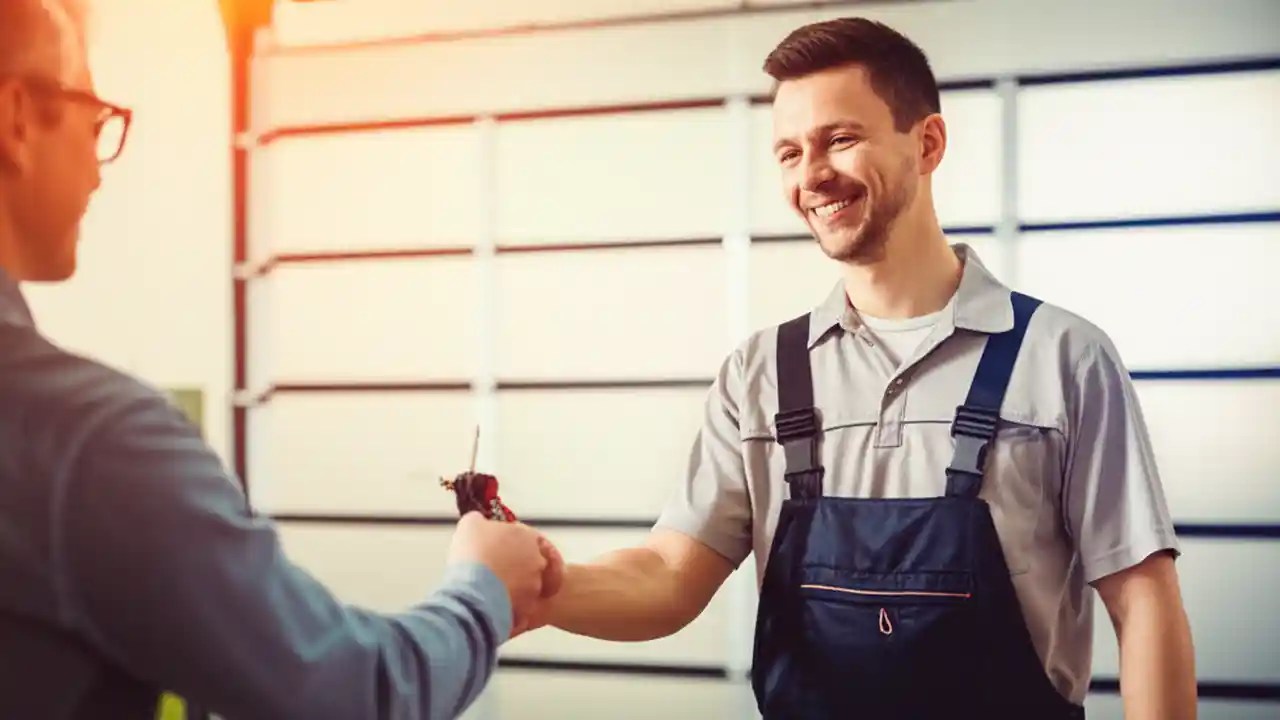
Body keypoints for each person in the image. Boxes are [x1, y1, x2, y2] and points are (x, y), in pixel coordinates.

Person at [522, 17, 1198, 719]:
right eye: (789, 152)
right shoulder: (761, 375)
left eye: (840, 140)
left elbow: (1143, 602)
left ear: (928, 143)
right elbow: (668, 577)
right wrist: (544, 588)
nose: (812, 175)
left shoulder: (1062, 358)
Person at [0, 2, 563, 718]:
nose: (99, 169)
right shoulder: (89, 444)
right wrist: (482, 588)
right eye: (94, 118)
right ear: (18, 120)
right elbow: (351, 695)